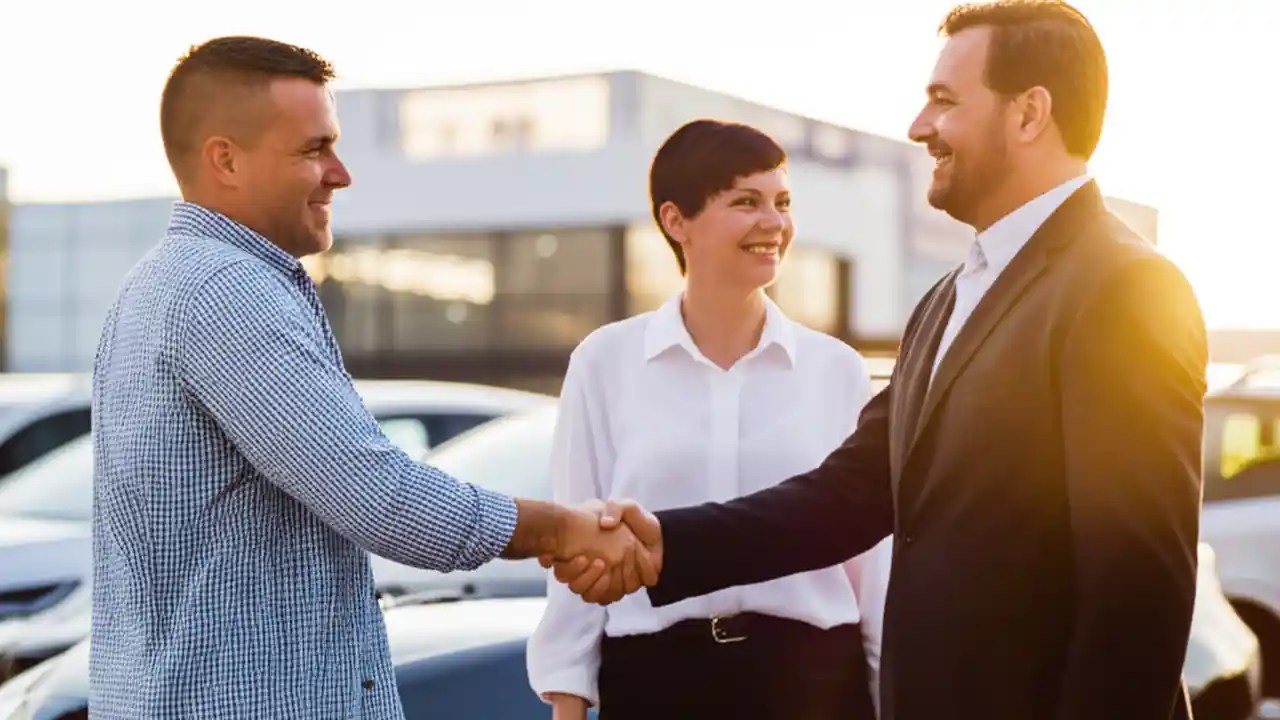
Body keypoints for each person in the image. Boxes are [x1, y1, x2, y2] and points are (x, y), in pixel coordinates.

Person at [549, 2, 1208, 719]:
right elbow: (850, 495)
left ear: (1029, 114)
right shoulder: (948, 299)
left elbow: (1138, 590)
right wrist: (666, 541)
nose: (919, 126)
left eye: (944, 101)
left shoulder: (1125, 286)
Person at [89, 36, 657, 720]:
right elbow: (383, 498)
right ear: (225, 160)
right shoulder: (224, 290)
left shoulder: (158, 286)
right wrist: (562, 530)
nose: (340, 173)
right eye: (313, 149)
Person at [525, 120, 892, 720]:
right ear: (675, 221)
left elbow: (875, 571)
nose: (773, 223)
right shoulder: (605, 361)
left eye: (782, 202)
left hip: (814, 685)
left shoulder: (837, 370)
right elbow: (579, 557)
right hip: (656, 684)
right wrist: (568, 707)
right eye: (745, 202)